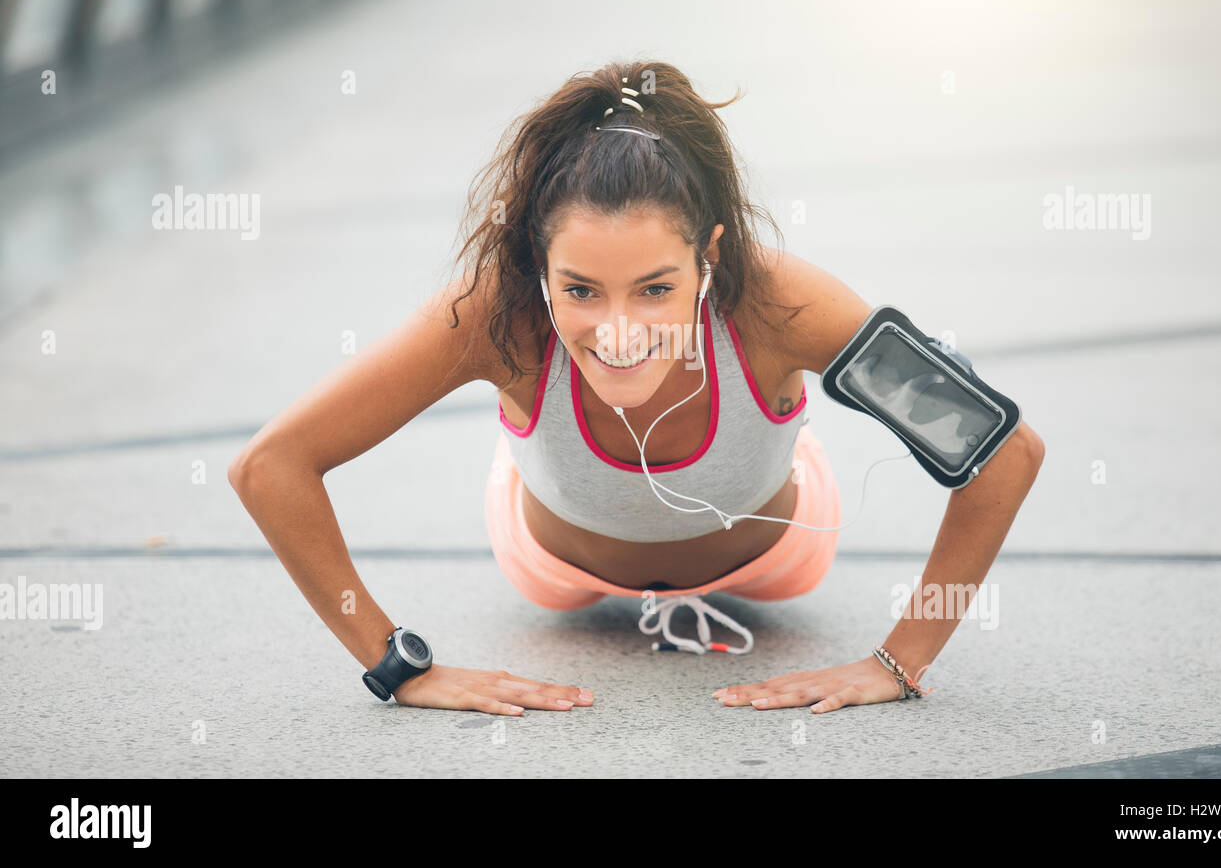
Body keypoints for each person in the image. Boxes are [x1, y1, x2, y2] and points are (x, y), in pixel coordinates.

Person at [229, 60, 1045, 717]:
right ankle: (527, 444)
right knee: (534, 446)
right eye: (581, 291)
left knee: (778, 434)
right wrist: (397, 667)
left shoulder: (781, 303)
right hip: (550, 562)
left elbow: (1005, 452)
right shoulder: (495, 315)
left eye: (656, 288)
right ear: (539, 265)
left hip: (776, 556)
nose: (618, 331)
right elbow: (271, 466)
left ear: (709, 255)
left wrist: (901, 661)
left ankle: (779, 424)